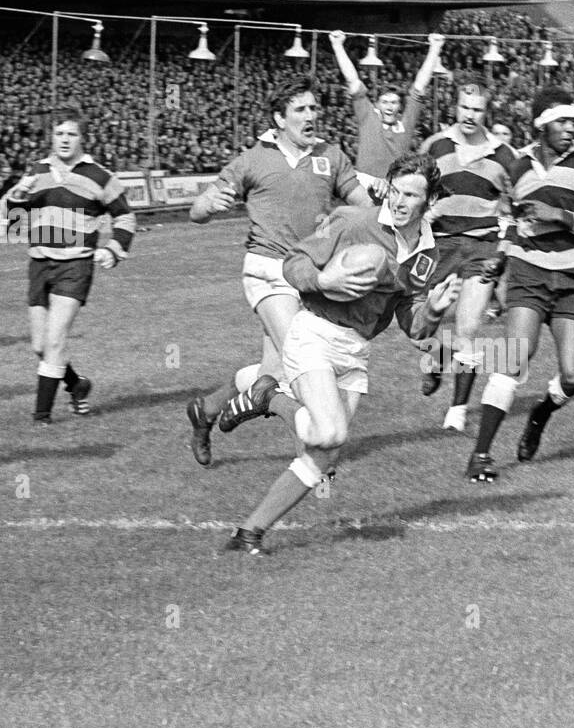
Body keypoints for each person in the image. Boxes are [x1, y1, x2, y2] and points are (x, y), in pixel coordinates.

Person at [222, 153, 460, 555]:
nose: (400, 202)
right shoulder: (355, 221)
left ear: (430, 200)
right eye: (396, 191)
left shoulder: (427, 253)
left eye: (412, 195)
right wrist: (322, 277)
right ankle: (268, 396)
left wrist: (434, 310)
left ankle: (248, 533)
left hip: (356, 349)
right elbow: (293, 262)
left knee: (323, 454)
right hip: (315, 332)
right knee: (331, 431)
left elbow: (414, 326)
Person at [185, 74, 370, 465]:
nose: (310, 116)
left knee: (272, 369)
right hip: (267, 270)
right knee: (305, 362)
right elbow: (197, 212)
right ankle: (314, 458)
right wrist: (206, 204)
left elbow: (364, 207)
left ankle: (208, 409)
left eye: (314, 108)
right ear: (279, 118)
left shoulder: (331, 156)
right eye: (300, 109)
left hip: (310, 276)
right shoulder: (252, 159)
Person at [466, 87, 574, 482]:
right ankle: (480, 455)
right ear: (541, 125)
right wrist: (500, 258)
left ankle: (540, 414)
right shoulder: (517, 168)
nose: (572, 129)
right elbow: (509, 222)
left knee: (573, 377)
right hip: (528, 274)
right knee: (514, 356)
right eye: (563, 122)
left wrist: (563, 217)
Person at [1, 106, 135, 425]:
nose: (64, 139)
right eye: (59, 133)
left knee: (55, 339)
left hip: (75, 267)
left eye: (71, 134)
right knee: (40, 345)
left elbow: (125, 216)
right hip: (38, 265)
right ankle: (76, 384)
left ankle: (41, 418)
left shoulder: (100, 176)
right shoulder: (36, 171)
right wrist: (17, 197)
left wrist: (114, 249)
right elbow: (11, 220)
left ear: (82, 139)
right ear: (51, 136)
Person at [417, 81, 518, 431]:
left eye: (477, 109)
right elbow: (415, 191)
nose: (470, 115)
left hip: (481, 248)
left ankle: (457, 411)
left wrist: (503, 252)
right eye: (465, 107)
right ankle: (435, 357)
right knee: (426, 323)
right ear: (455, 107)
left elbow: (518, 209)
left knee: (468, 328)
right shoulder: (434, 146)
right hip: (440, 245)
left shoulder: (505, 155)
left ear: (486, 112)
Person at [328, 30, 445, 199]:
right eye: (385, 102)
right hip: (364, 185)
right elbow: (352, 80)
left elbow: (419, 86)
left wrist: (435, 48)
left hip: (394, 187)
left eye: (394, 102)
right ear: (377, 105)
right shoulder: (368, 117)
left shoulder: (405, 124)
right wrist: (337, 46)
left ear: (400, 106)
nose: (389, 107)